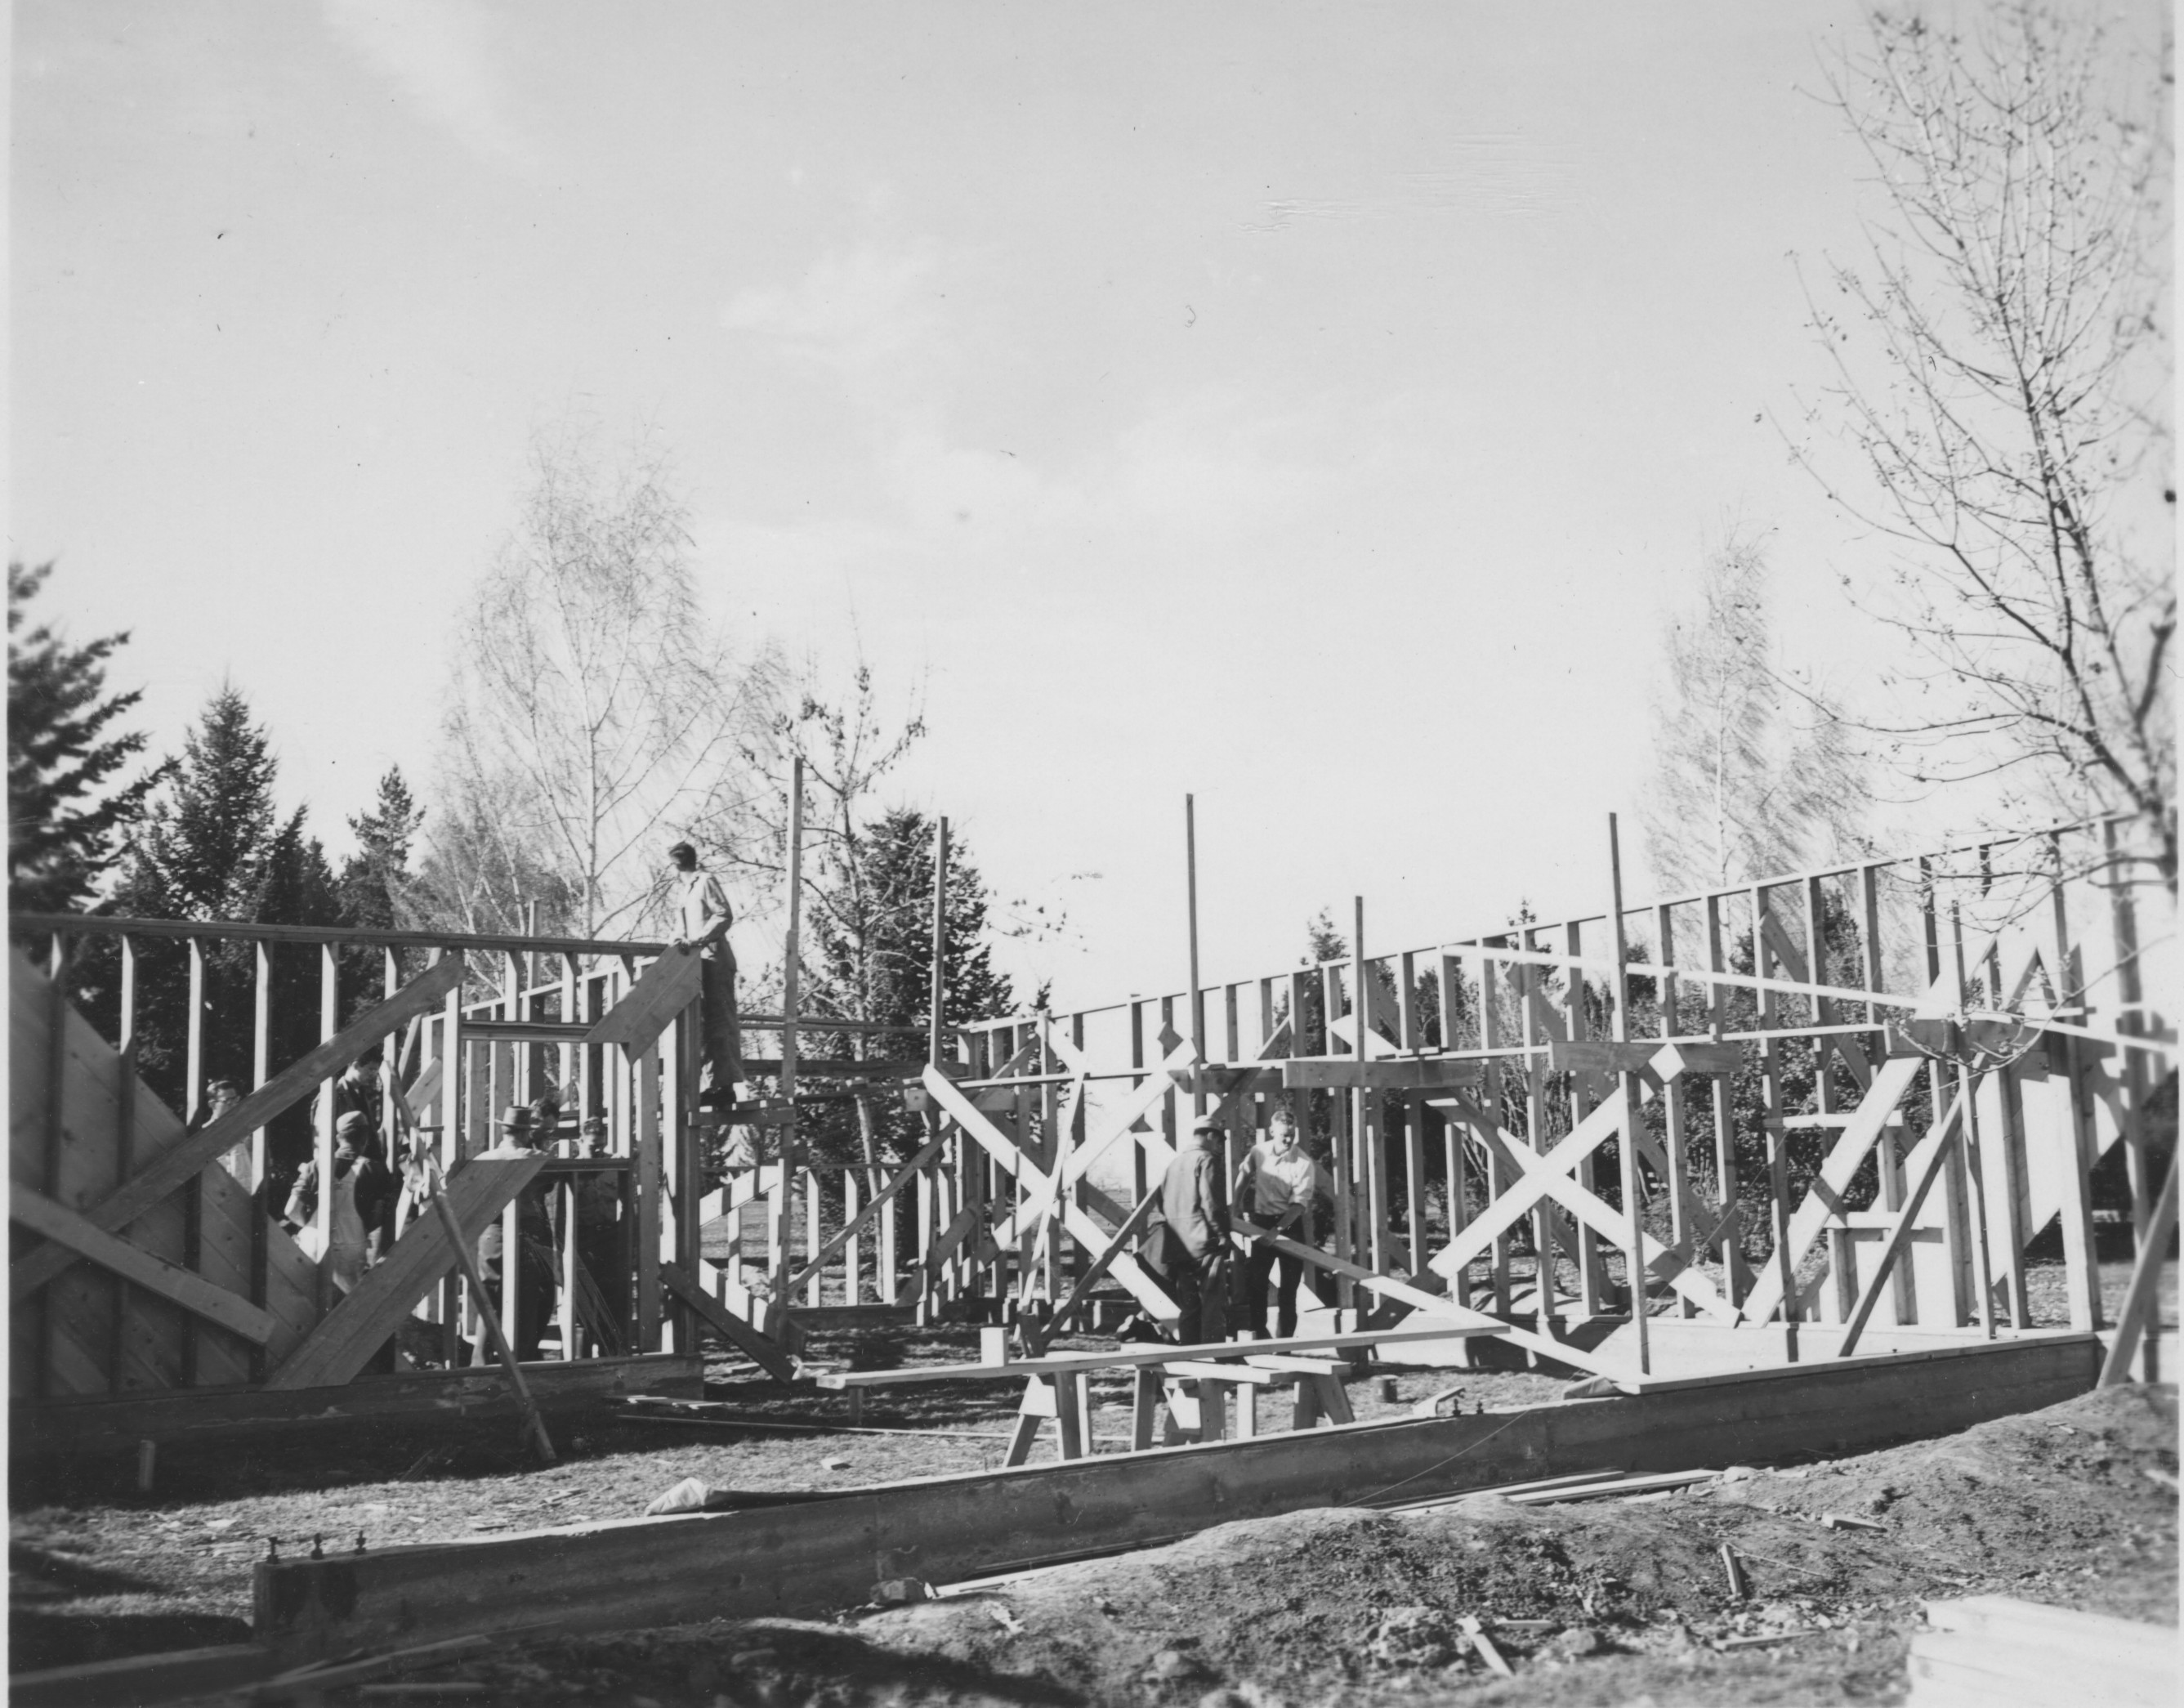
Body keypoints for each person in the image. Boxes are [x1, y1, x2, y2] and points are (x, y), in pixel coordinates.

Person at [471, 1106, 559, 1364]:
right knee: (528, 1300)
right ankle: (522, 1363)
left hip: (491, 1232)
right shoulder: (534, 1157)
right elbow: (552, 1181)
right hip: (526, 1232)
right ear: (525, 1133)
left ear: (503, 1129)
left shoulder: (485, 1158)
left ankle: (480, 1364)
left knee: (491, 1298)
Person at [281, 1112, 395, 1296]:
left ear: (338, 1138)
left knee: (307, 1304)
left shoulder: (314, 1166)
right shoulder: (376, 1170)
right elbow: (378, 1217)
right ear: (365, 1138)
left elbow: (291, 1210)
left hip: (314, 1245)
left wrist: (316, 1227)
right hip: (352, 1249)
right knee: (349, 1307)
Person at [1235, 1104, 1324, 1339]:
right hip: (1260, 1223)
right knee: (1257, 1284)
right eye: (1284, 1135)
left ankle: (1284, 1342)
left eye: (1292, 1136)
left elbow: (1298, 1205)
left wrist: (1277, 1230)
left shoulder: (1303, 1163)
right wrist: (1235, 1204)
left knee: (1288, 1291)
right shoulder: (1258, 1152)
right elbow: (1244, 1174)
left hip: (1289, 1226)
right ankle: (1259, 1335)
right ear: (1272, 1131)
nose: (1288, 1140)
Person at [668, 839, 744, 1101]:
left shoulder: (705, 881)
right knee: (700, 1025)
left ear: (678, 864)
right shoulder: (684, 891)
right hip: (695, 965)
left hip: (715, 961)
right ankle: (712, 1085)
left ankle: (726, 1087)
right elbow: (680, 928)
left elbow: (723, 914)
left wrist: (699, 939)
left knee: (720, 1023)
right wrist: (677, 944)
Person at [1159, 1113, 1232, 1345]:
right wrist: (1223, 1236)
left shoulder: (1174, 1164)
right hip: (1205, 1245)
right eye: (1219, 1141)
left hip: (1178, 1246)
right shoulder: (1207, 1160)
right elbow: (1212, 1204)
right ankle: (1214, 1361)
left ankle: (1189, 1358)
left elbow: (1161, 1203)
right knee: (1213, 1305)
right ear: (1211, 1136)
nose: (1220, 1147)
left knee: (1189, 1308)